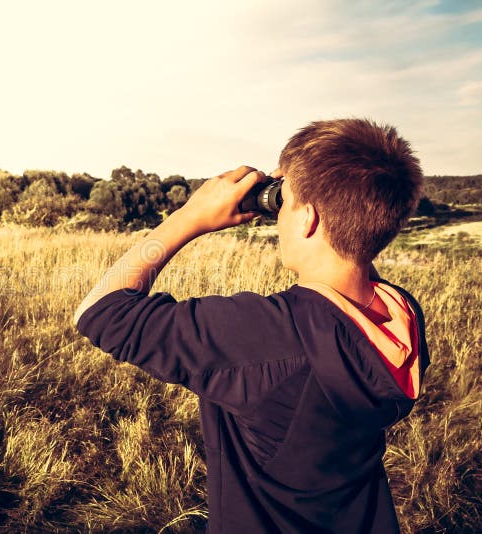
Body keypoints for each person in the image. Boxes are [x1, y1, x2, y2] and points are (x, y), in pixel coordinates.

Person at [73, 118, 429, 533]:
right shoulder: (400, 312)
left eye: (284, 203)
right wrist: (302, 188)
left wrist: (190, 217)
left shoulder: (264, 334)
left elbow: (99, 311)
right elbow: (355, 242)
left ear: (308, 219)